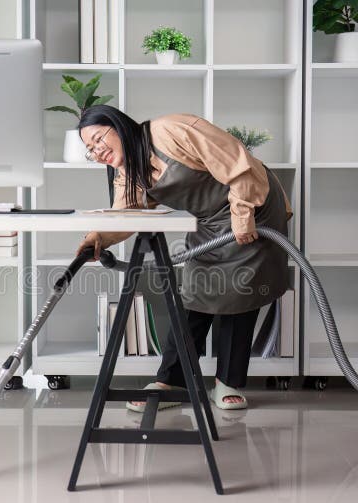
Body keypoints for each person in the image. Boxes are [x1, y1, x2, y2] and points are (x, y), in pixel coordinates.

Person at [75, 105, 292, 411]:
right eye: (90, 149)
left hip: (252, 203)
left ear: (118, 126)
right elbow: (125, 216)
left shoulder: (171, 131)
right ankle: (171, 380)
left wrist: (243, 214)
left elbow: (237, 162)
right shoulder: (128, 173)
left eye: (98, 139)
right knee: (193, 293)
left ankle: (228, 383)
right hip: (209, 221)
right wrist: (97, 237)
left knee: (242, 293)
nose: (97, 152)